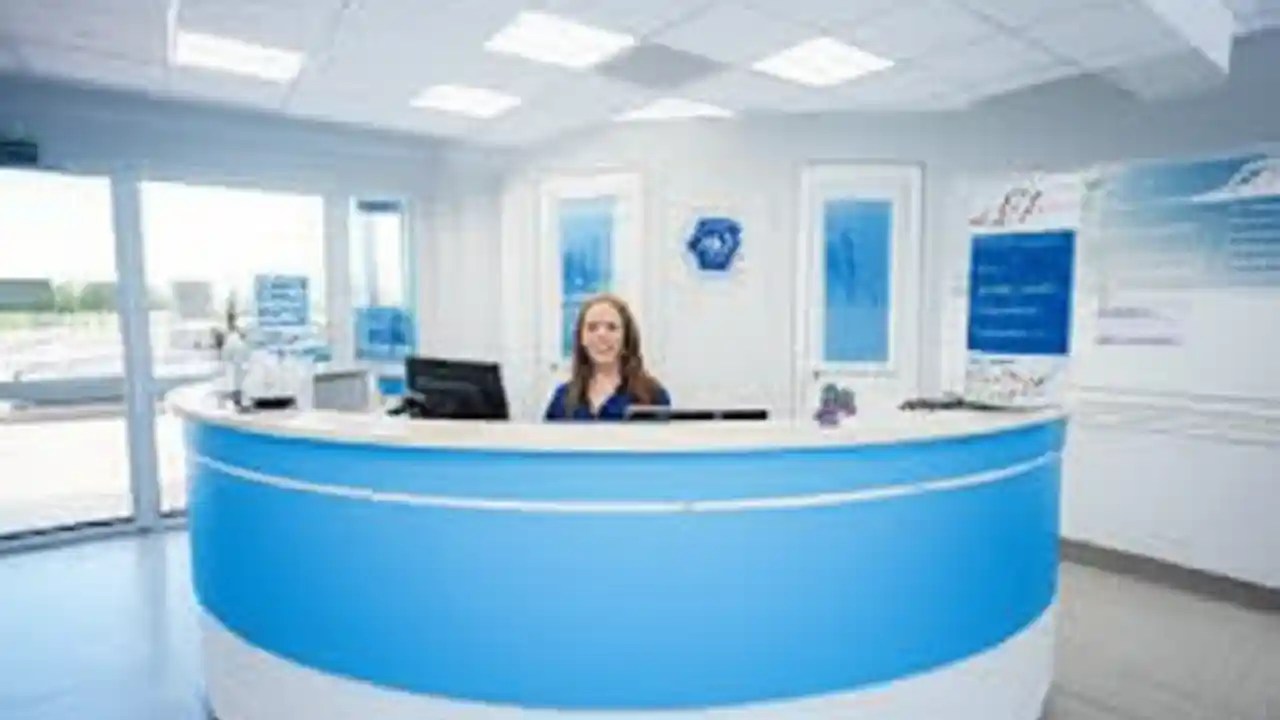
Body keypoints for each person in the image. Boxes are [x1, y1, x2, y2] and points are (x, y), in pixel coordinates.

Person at [543, 293, 670, 421]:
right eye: (592, 328)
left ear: (627, 337)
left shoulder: (652, 396)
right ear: (581, 338)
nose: (602, 335)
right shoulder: (562, 398)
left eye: (612, 327)